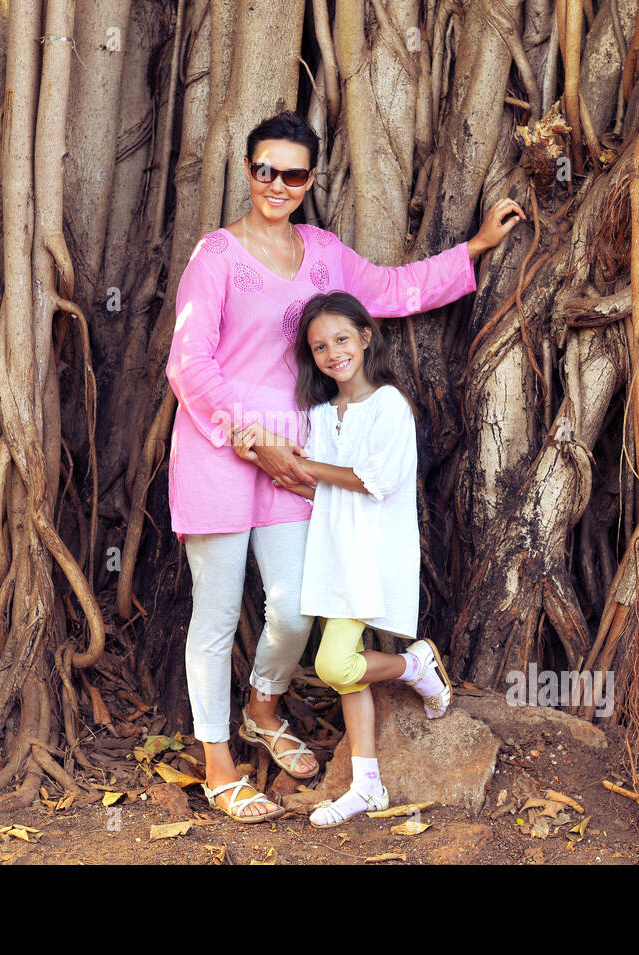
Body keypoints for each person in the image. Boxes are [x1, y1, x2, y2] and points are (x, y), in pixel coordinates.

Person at [166, 109, 525, 822]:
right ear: (247, 170)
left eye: (291, 172)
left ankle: (263, 704)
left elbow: (388, 291)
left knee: (298, 607)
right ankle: (217, 764)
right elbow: (187, 361)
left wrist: (476, 249)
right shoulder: (215, 255)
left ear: (309, 179)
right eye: (263, 169)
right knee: (213, 616)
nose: (276, 183)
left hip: (299, 458)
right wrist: (249, 435)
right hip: (219, 447)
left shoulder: (325, 254)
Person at [238, 291, 449, 828]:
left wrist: (297, 458)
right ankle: (368, 785)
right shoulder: (320, 413)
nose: (333, 353)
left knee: (335, 664)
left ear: (365, 337)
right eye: (319, 347)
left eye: (340, 339)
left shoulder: (389, 406)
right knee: (345, 672)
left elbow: (371, 481)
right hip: (334, 556)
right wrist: (270, 460)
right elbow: (321, 493)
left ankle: (414, 665)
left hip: (370, 555)